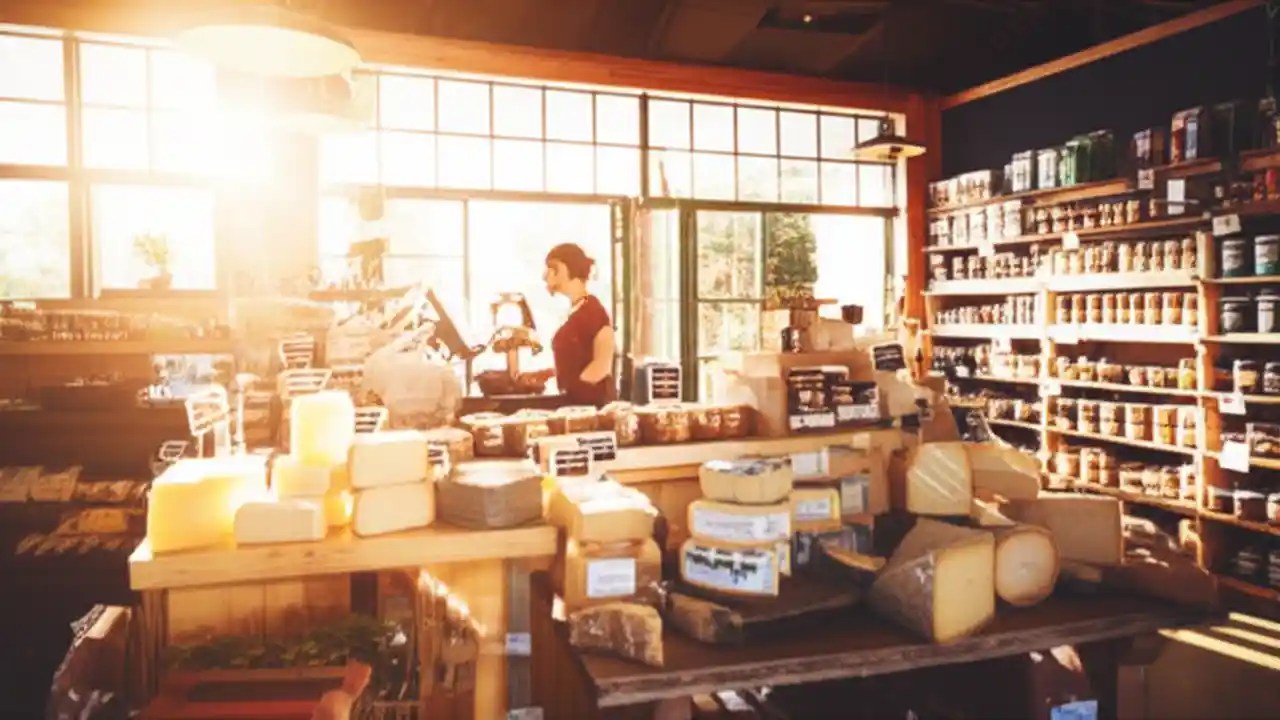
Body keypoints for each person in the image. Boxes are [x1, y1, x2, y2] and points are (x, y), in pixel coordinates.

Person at [544, 243, 617, 407]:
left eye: (551, 268)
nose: (545, 276)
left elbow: (602, 365)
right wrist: (547, 373)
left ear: (563, 270)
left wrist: (575, 393)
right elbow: (576, 360)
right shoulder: (575, 311)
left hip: (592, 407)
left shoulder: (595, 312)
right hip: (574, 405)